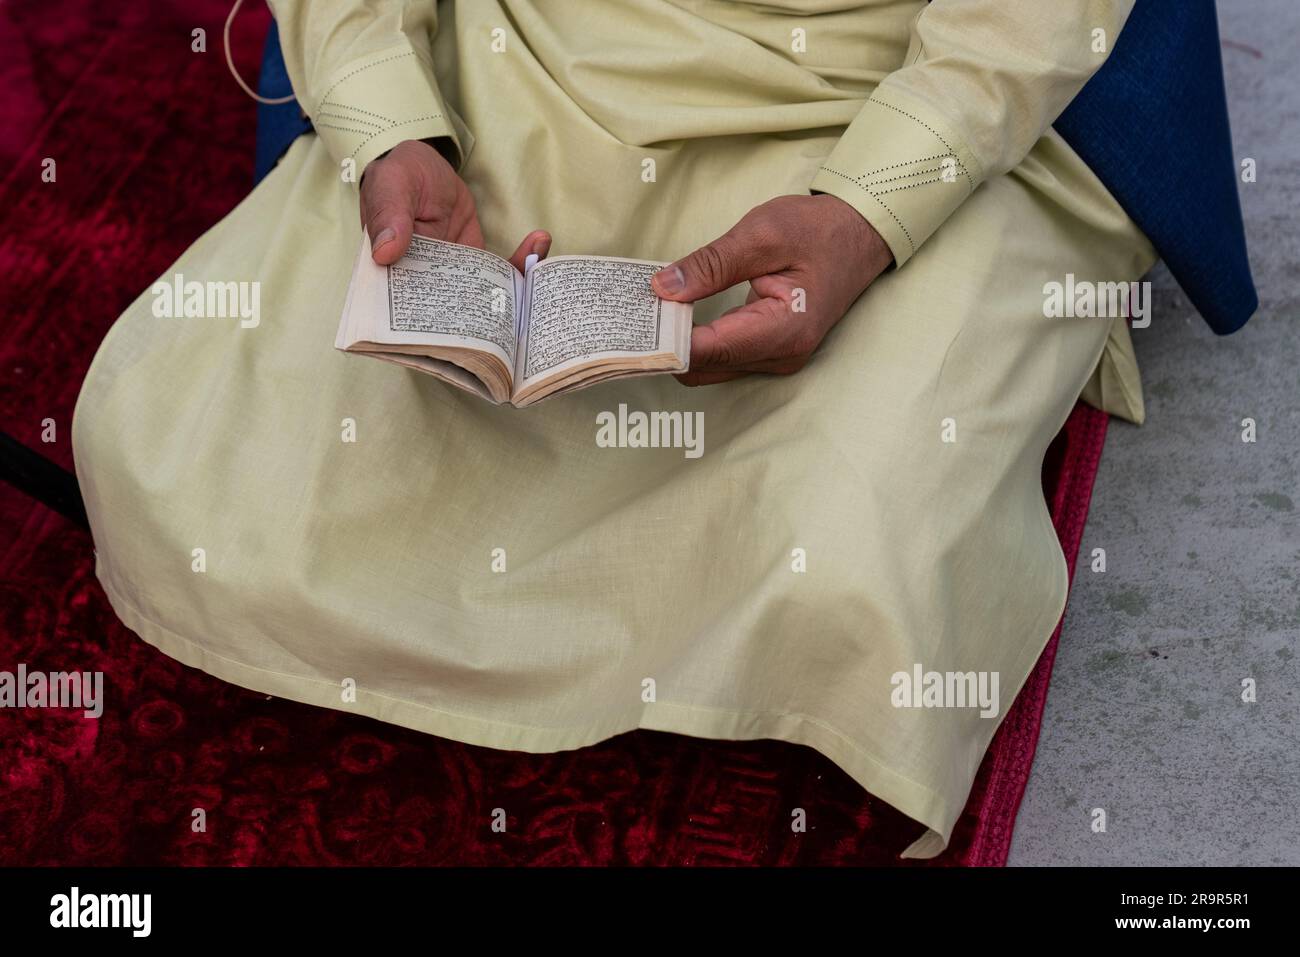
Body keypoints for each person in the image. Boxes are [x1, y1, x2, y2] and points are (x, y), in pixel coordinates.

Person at [73, 0, 1153, 857]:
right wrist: (395, 127)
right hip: (518, 68)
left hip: (881, 101)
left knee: (844, 560)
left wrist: (867, 217)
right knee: (169, 447)